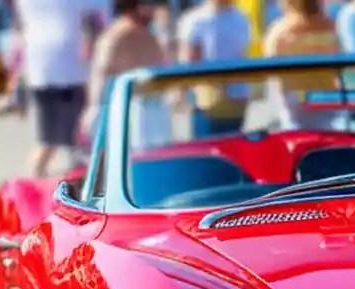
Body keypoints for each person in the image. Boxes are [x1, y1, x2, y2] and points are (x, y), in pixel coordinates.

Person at [14, 0, 108, 176]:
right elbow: (97, 22)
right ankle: (37, 179)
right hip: (70, 67)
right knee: (74, 138)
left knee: (51, 139)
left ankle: (37, 177)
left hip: (41, 66)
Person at [81, 0, 166, 146]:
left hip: (140, 113)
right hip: (126, 114)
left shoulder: (144, 36)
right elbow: (102, 76)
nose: (154, 10)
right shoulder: (117, 37)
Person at [177, 0, 252, 136]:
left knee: (209, 145)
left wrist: (181, 92)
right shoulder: (241, 18)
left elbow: (188, 63)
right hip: (229, 98)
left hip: (212, 100)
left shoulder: (195, 20)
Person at [263, 0, 340, 129]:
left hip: (297, 106)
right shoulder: (333, 28)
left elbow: (272, 73)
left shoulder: (280, 33)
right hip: (327, 103)